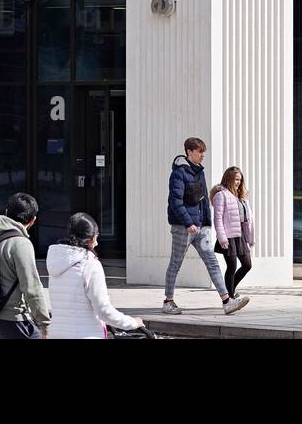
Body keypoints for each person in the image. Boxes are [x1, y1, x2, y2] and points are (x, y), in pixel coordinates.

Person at [162, 137, 250, 316]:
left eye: (203, 152)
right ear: (189, 151)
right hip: (183, 228)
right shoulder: (179, 173)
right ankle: (168, 301)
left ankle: (227, 301)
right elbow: (175, 201)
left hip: (201, 229)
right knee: (175, 264)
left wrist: (207, 224)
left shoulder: (199, 172)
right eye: (199, 151)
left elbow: (203, 201)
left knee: (212, 262)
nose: (203, 155)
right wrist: (188, 223)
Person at [48, 213, 144, 339]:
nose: (97, 243)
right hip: (86, 334)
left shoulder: (56, 262)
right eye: (96, 238)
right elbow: (103, 310)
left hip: (57, 333)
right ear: (91, 239)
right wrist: (132, 322)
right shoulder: (90, 264)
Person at [0, 193, 52, 339]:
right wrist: (44, 324)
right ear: (33, 220)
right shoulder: (21, 244)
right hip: (15, 319)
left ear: (6, 211)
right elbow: (32, 287)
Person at [212, 166, 255, 298]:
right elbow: (217, 218)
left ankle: (229, 291)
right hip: (228, 236)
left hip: (240, 235)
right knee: (232, 267)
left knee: (247, 265)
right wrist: (222, 238)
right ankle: (230, 297)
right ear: (229, 179)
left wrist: (250, 237)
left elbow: (248, 219)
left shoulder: (241, 197)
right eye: (236, 179)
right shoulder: (221, 195)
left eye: (240, 180)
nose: (238, 182)